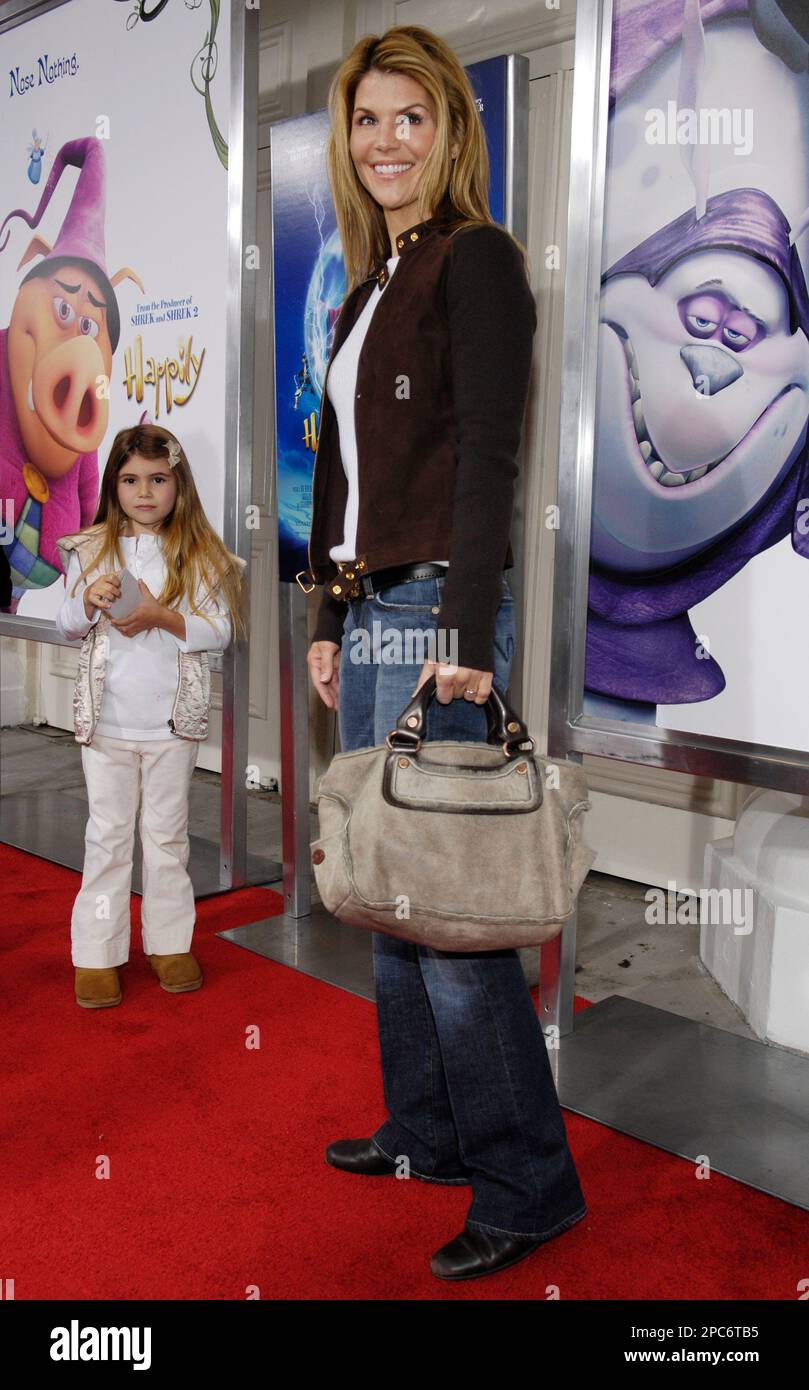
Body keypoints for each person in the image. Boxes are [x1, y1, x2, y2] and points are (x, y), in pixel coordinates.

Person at [301, 25, 587, 1281]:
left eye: (409, 117)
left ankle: (528, 1179)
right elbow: (337, 468)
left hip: (437, 613)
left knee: (456, 908)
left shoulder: (476, 259)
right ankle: (426, 1131)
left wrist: (465, 633)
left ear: (450, 131)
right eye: (367, 120)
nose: (385, 141)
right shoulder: (369, 282)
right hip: (372, 612)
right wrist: (324, 616)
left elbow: (486, 458)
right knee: (384, 880)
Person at [55, 424, 246, 1010]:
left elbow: (221, 632)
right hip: (107, 726)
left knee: (167, 838)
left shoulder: (204, 553)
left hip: (171, 726)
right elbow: (65, 626)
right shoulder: (89, 549)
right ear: (113, 485)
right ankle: (97, 951)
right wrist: (86, 602)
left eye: (158, 480)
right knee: (107, 838)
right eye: (131, 480)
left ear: (177, 483)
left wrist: (164, 616)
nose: (144, 492)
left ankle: (168, 942)